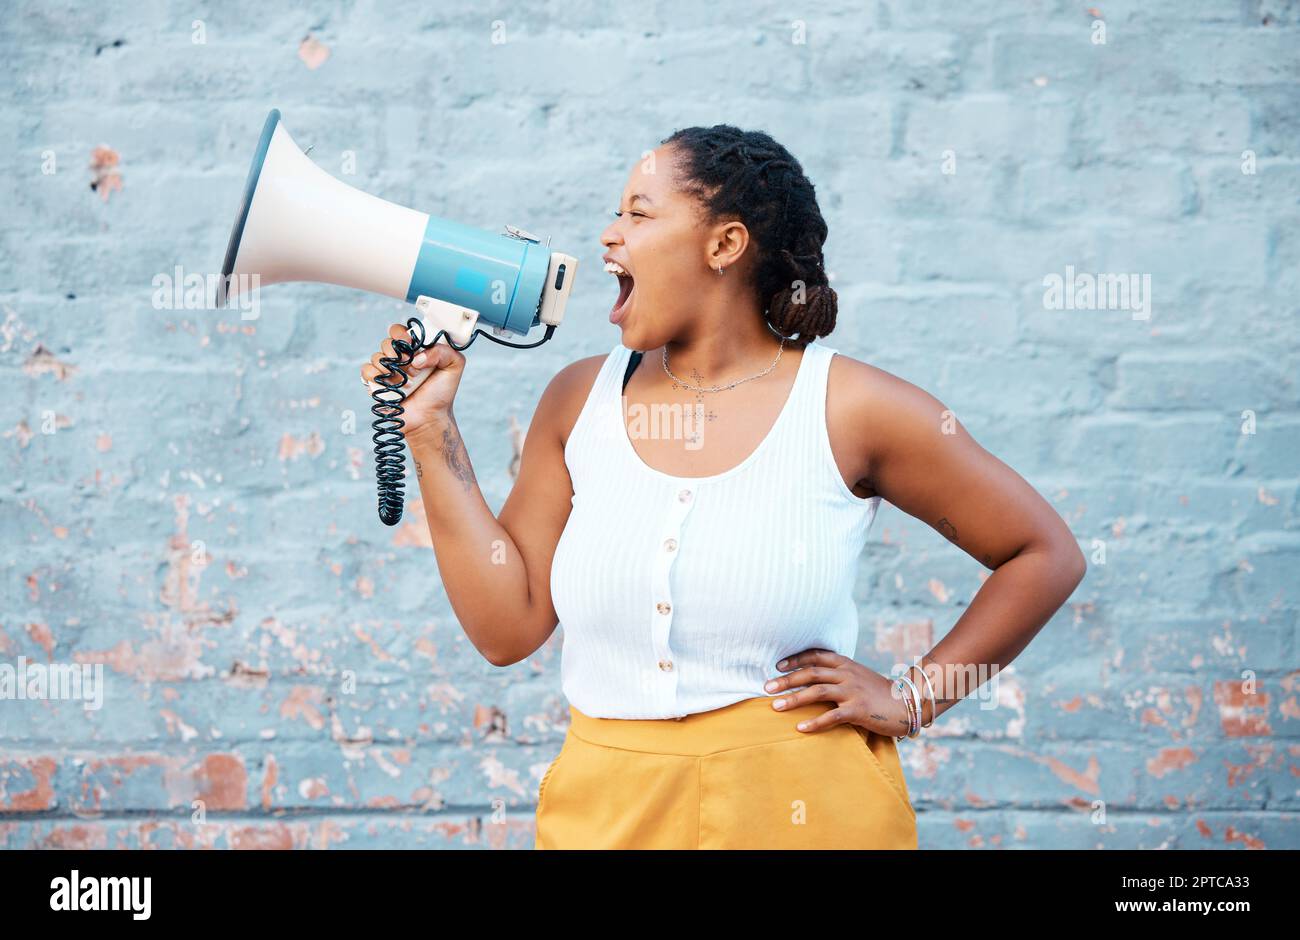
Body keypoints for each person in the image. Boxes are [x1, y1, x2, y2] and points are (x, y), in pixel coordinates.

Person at [360, 125, 1087, 849]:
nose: (610, 237)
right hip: (607, 816)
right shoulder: (576, 400)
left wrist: (912, 699)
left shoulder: (853, 407)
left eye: (638, 214)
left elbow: (1042, 552)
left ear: (724, 244)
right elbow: (507, 627)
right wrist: (429, 431)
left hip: (809, 813)